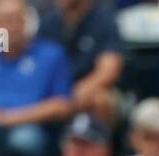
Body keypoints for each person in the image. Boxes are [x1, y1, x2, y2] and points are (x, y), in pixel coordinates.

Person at [0, 0, 73, 156]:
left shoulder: (50, 54)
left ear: (27, 21)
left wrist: (8, 118)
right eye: (5, 20)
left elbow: (62, 105)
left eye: (16, 19)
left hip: (30, 128)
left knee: (24, 139)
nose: (12, 26)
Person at [37, 0, 121, 128]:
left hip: (85, 89)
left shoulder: (103, 19)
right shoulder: (49, 22)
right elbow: (36, 64)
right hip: (55, 91)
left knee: (100, 100)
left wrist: (81, 90)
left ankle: (97, 145)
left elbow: (109, 69)